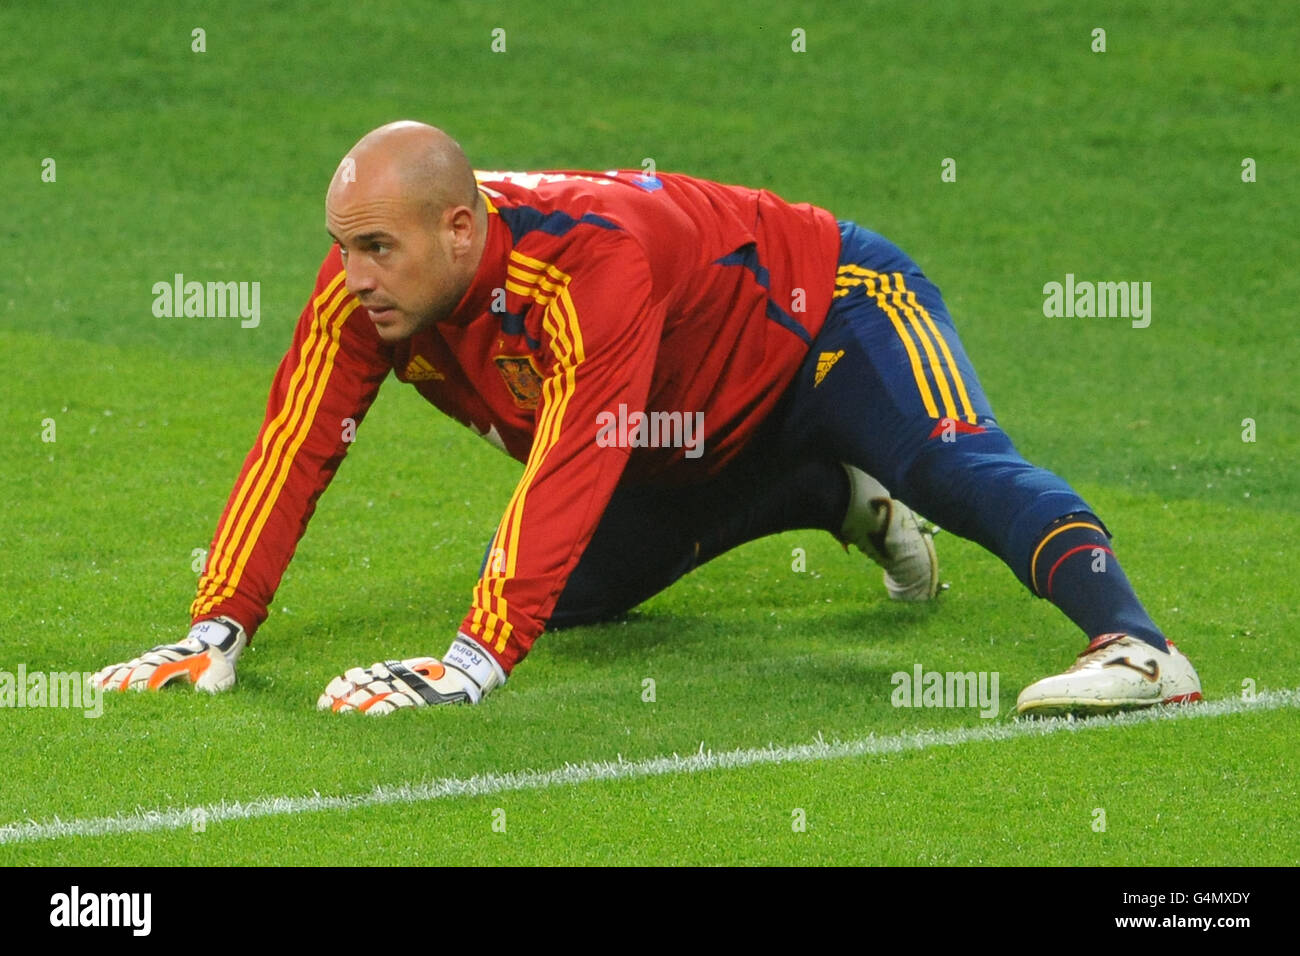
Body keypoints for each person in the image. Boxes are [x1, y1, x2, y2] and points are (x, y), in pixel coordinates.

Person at [92, 121, 1202, 717]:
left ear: (463, 227)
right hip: (696, 424)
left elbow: (582, 453)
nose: (350, 273)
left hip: (833, 316)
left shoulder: (589, 260)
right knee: (557, 590)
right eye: (341, 243)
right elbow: (293, 446)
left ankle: (1139, 648)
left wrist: (471, 663)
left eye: (376, 247)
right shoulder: (366, 299)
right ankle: (824, 487)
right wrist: (216, 627)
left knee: (954, 466)